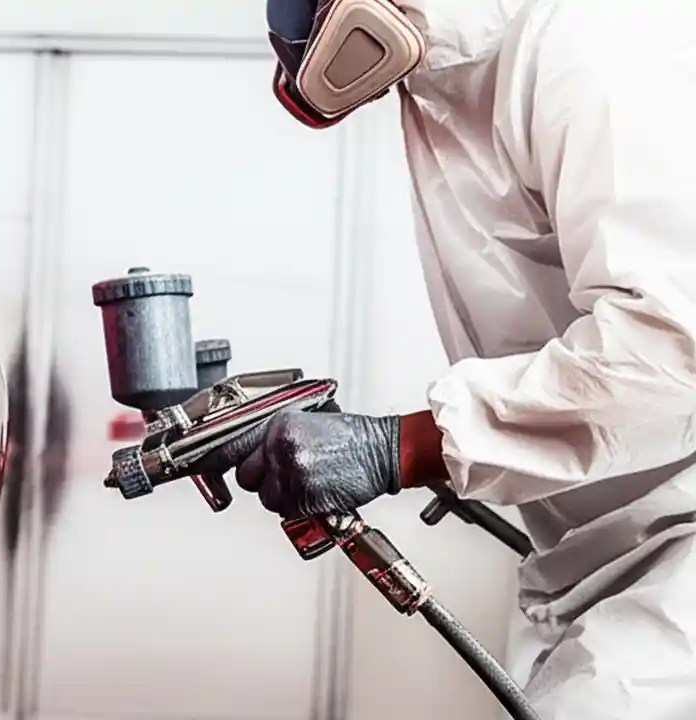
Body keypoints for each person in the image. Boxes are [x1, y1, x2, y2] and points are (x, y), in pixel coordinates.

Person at [223, 1, 696, 718]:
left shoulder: (588, 41)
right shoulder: (444, 71)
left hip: (676, 550)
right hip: (606, 551)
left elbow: (670, 346)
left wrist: (407, 447)